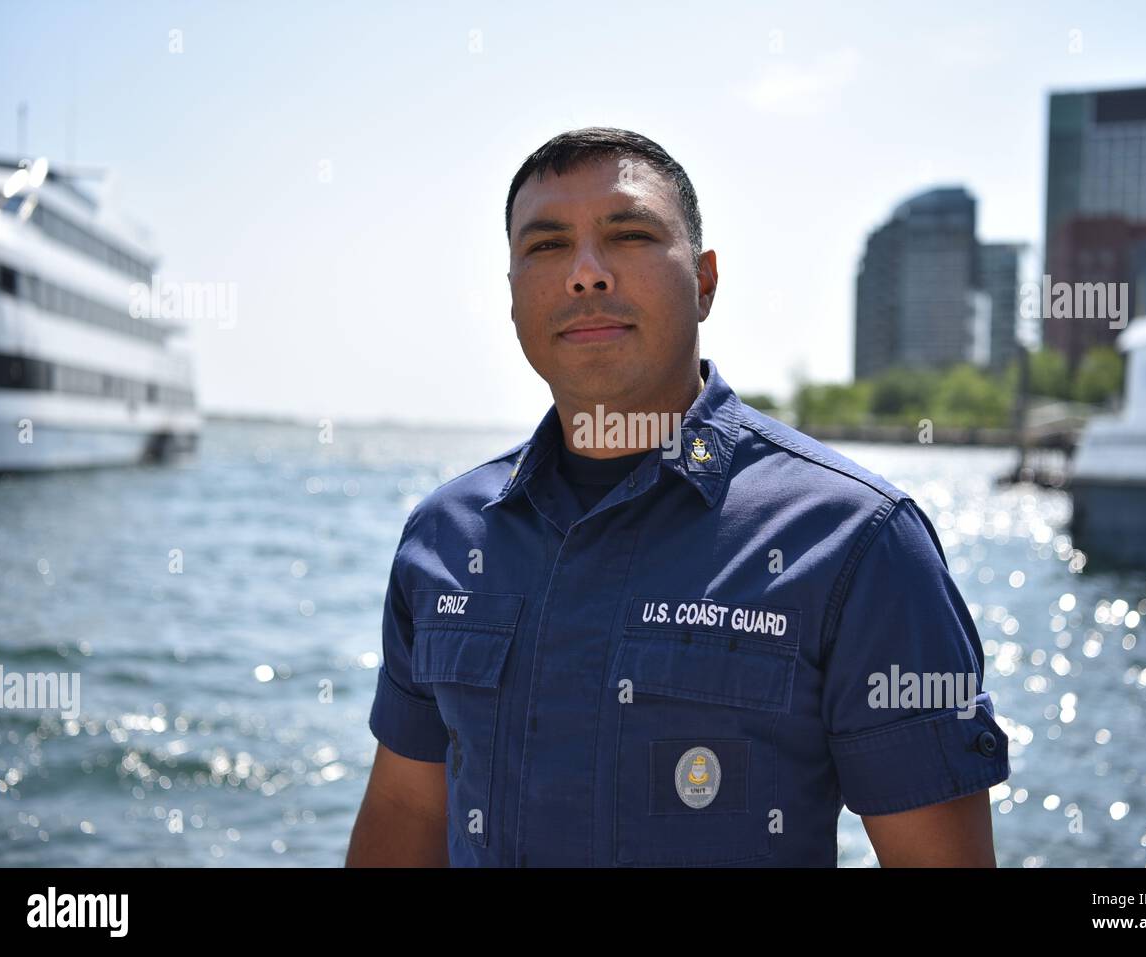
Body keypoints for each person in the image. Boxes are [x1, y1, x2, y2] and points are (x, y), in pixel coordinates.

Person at [346, 127, 1010, 868]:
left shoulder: (859, 542)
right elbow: (407, 805)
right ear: (511, 298)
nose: (585, 274)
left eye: (628, 235)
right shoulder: (443, 536)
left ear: (704, 282)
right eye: (546, 246)